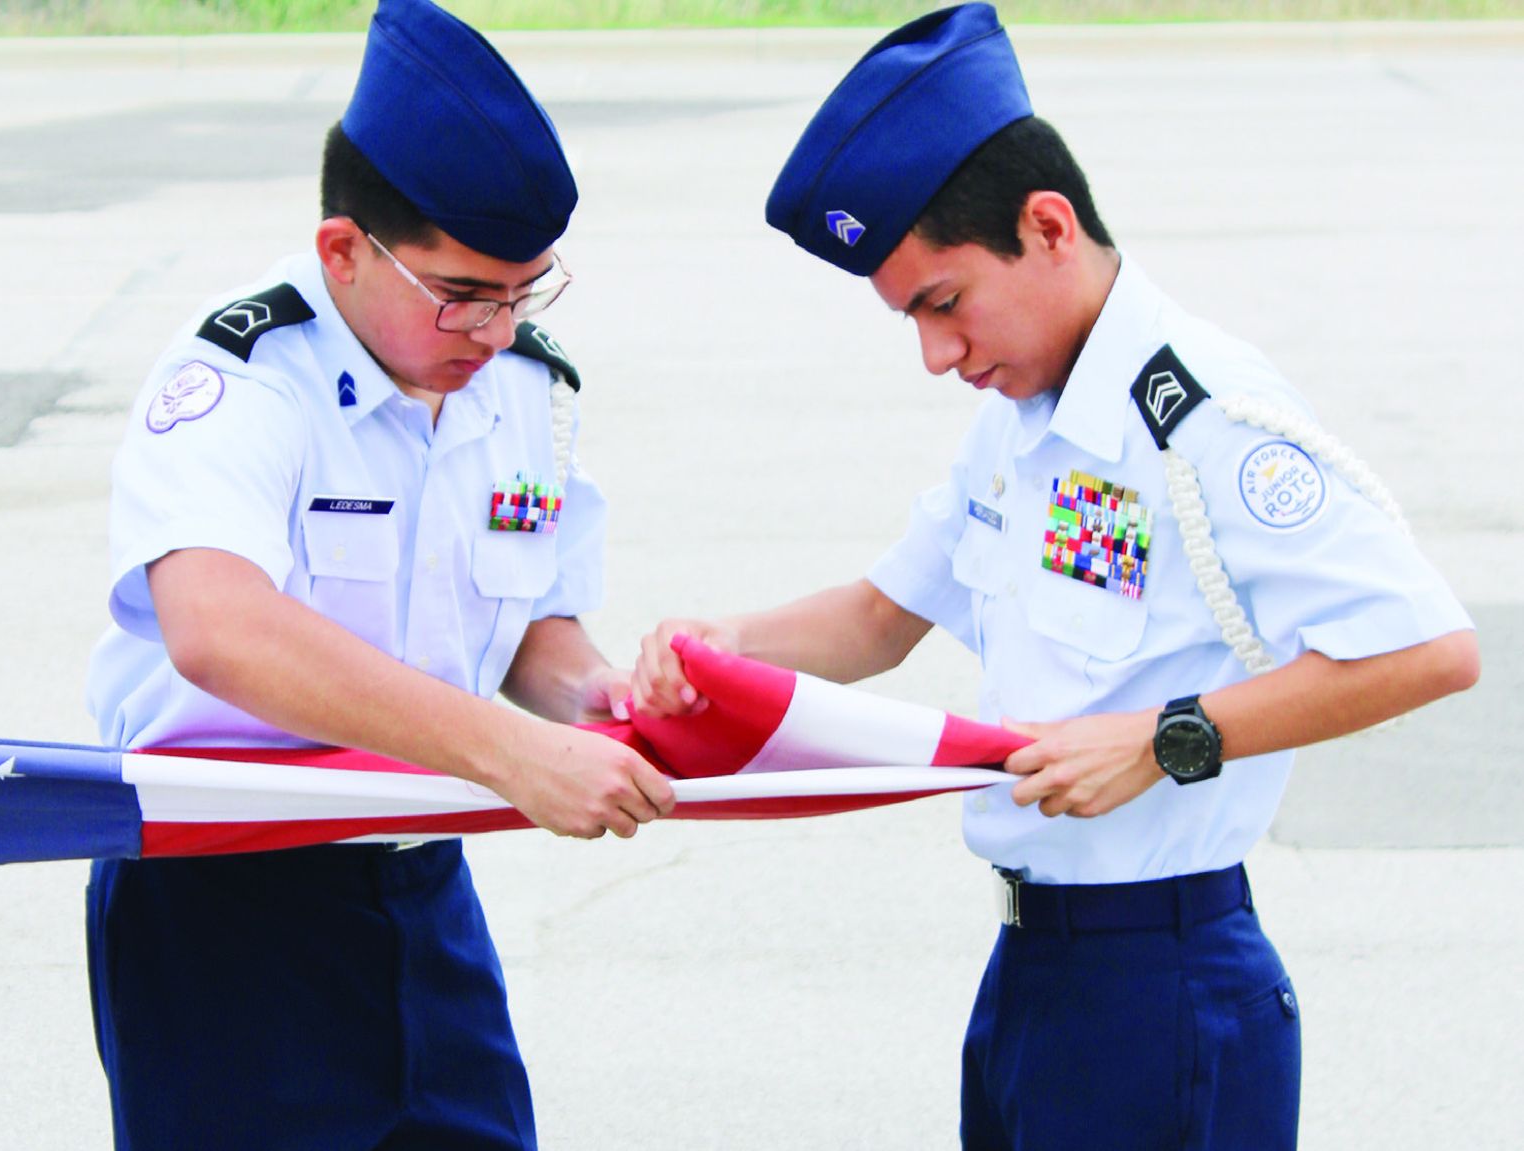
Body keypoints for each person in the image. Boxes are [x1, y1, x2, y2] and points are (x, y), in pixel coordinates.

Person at [630, 5, 1480, 1149]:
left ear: (1047, 227)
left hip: (1165, 979)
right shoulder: (1024, 413)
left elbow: (1429, 647)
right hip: (1036, 968)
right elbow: (884, 616)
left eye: (943, 302)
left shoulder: (1205, 414)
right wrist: (718, 637)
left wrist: (1166, 737)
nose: (937, 353)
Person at [83, 1, 674, 1147]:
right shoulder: (243, 377)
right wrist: (512, 751)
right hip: (227, 908)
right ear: (344, 250)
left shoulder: (521, 384)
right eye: (464, 293)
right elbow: (218, 629)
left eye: (525, 292)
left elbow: (530, 626)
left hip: (421, 883)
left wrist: (598, 704)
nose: (497, 330)